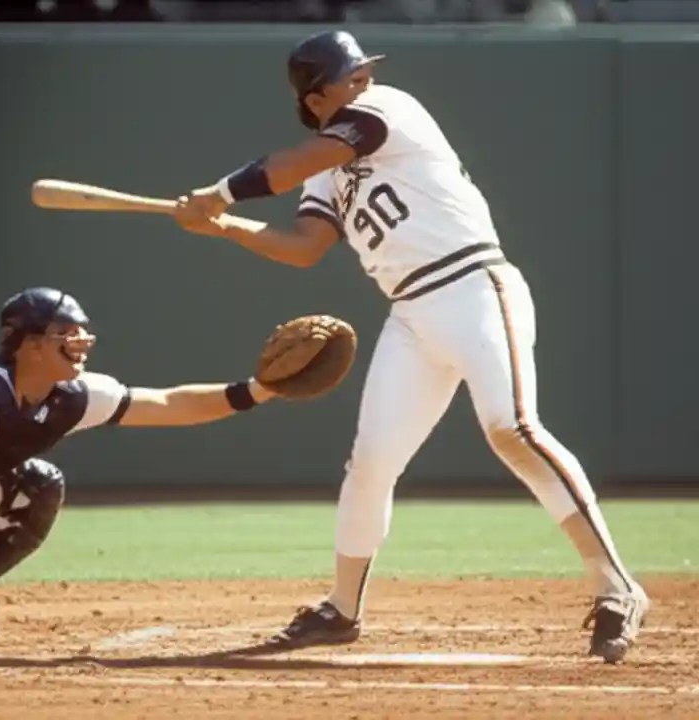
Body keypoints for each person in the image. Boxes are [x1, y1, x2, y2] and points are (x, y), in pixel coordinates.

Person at [170, 30, 649, 664]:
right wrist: (222, 226)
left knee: (513, 428)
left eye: (364, 69)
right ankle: (342, 609)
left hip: (475, 285)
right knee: (370, 461)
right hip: (412, 316)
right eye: (351, 74)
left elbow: (285, 168)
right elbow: (304, 247)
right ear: (316, 98)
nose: (365, 78)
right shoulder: (327, 170)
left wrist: (221, 193)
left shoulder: (386, 107)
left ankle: (619, 587)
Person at [0, 287, 279, 651]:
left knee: (37, 485)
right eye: (66, 333)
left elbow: (170, 403)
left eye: (82, 331)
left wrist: (257, 391)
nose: (82, 341)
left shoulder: (73, 396)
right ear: (30, 345)